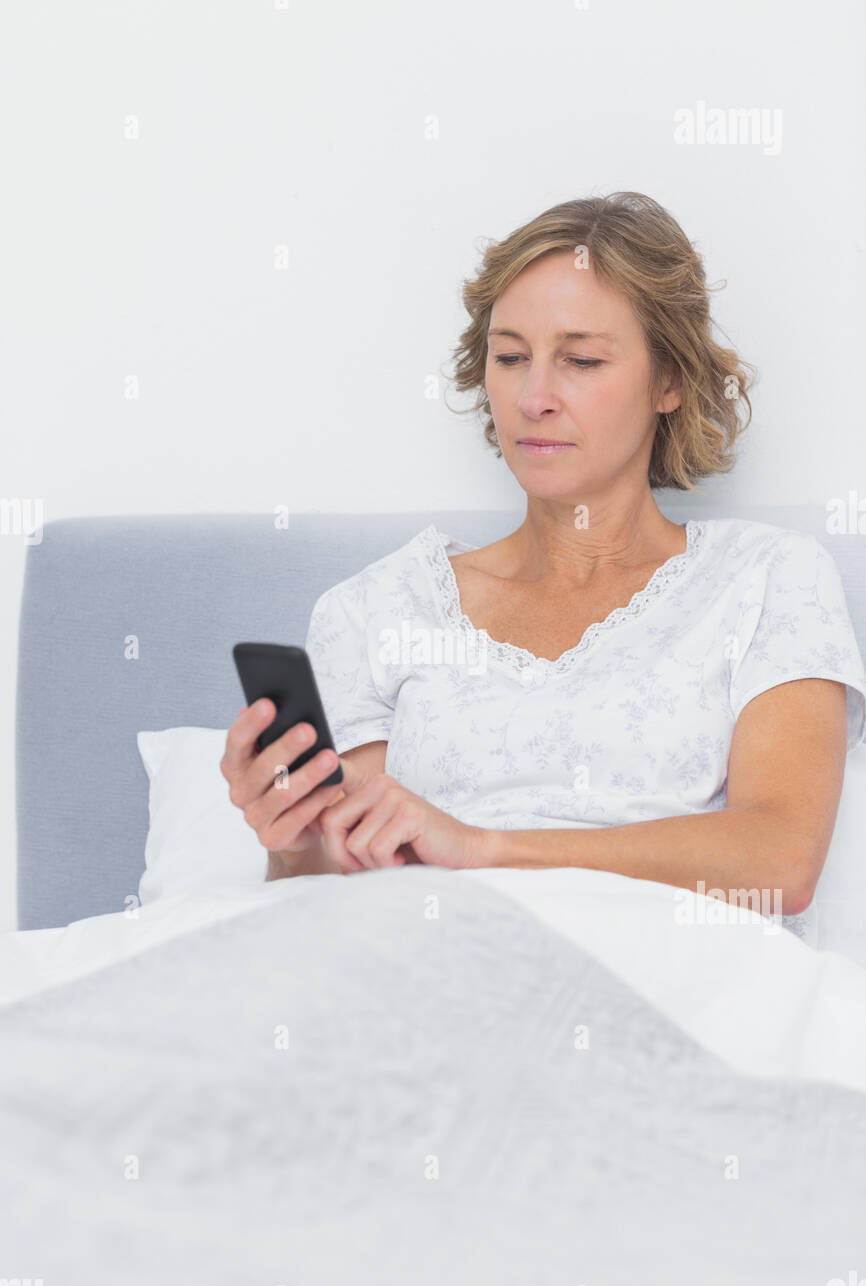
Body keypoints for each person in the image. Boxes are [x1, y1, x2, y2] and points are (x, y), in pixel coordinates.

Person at [220, 192, 866, 934]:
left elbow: (779, 859)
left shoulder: (768, 580)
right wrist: (296, 846)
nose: (533, 398)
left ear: (670, 381)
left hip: (671, 986)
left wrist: (481, 847)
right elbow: (351, 880)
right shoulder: (378, 607)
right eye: (511, 357)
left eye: (581, 359)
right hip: (425, 978)